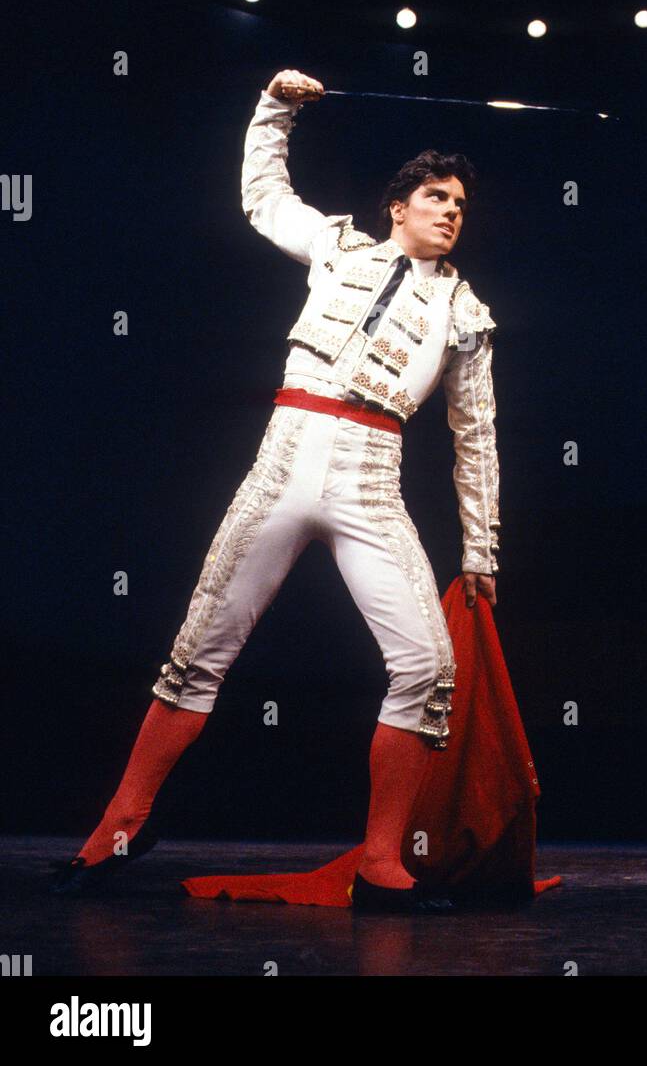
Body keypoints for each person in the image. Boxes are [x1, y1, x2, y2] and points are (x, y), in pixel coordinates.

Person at [51, 69, 501, 913]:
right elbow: (263, 196)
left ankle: (380, 859)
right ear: (397, 207)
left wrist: (481, 549)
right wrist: (275, 107)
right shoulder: (339, 248)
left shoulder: (465, 314)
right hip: (284, 460)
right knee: (196, 653)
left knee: (429, 666)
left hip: (372, 478)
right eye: (437, 197)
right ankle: (122, 820)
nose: (451, 212)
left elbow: (474, 438)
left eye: (462, 206)